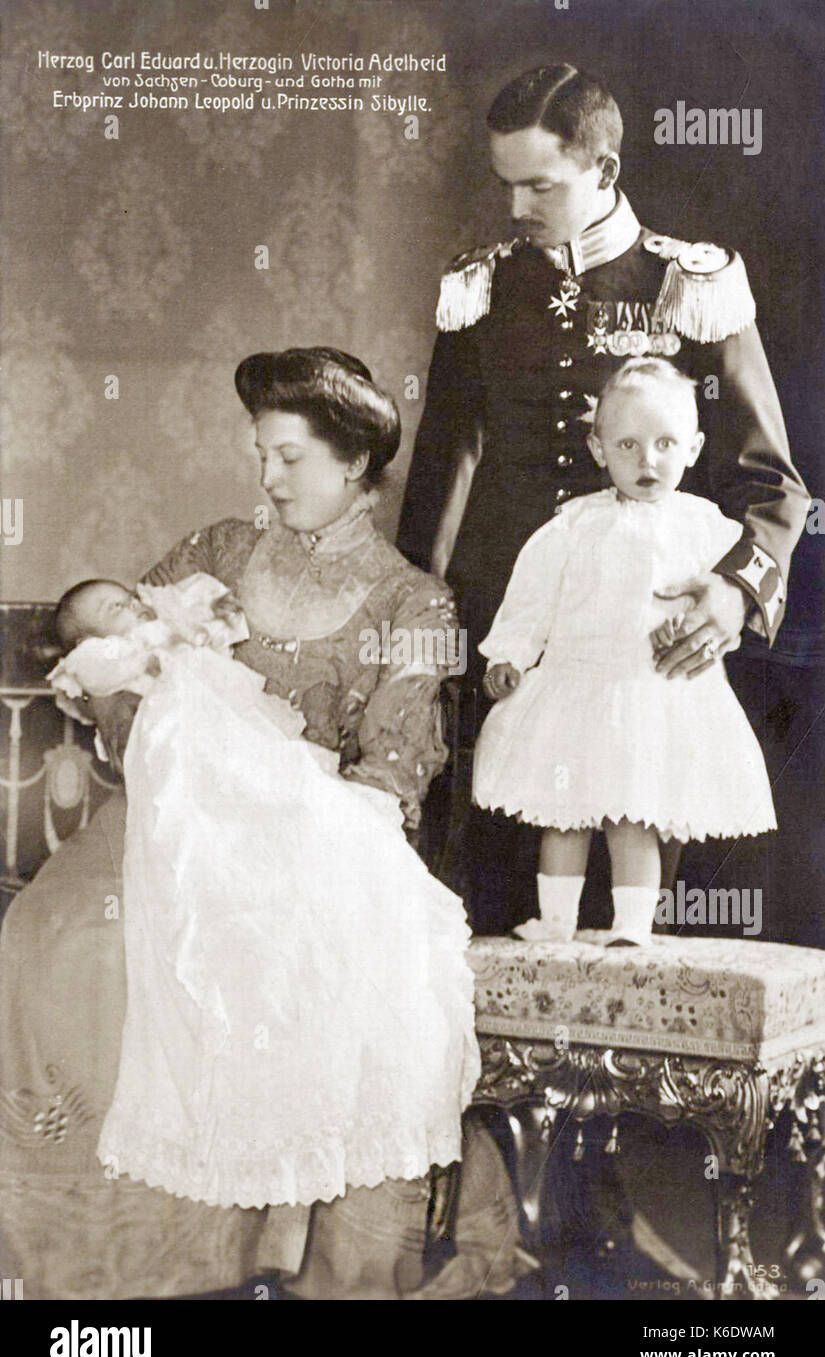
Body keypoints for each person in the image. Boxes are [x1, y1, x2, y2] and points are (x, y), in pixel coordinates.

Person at [0, 348, 526, 1300]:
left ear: (355, 464)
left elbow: (396, 763)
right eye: (259, 456)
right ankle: (91, 1270)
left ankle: (273, 1249)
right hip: (168, 822)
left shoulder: (416, 601)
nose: (266, 478)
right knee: (55, 937)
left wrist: (294, 824)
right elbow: (123, 665)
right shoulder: (215, 554)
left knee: (306, 974)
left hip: (313, 832)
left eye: (288, 458)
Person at [396, 63, 809, 934]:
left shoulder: (691, 285)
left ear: (604, 172)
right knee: (500, 907)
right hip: (507, 643)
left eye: (538, 184)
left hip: (651, 653)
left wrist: (734, 593)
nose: (515, 208)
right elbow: (441, 470)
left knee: (646, 922)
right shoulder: (479, 286)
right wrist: (417, 629)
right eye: (505, 185)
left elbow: (772, 486)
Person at [46, 567, 480, 1210]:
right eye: (114, 607)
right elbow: (98, 675)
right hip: (183, 743)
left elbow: (227, 630)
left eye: (129, 597)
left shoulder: (407, 593)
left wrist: (188, 621)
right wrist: (134, 643)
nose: (133, 605)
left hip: (241, 732)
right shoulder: (109, 653)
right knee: (207, 811)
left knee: (300, 802)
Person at [474, 358, 776, 947]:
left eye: (666, 443)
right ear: (597, 448)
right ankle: (556, 921)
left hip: (650, 689)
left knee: (633, 813)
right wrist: (508, 655)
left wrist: (696, 626)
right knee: (563, 813)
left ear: (694, 448)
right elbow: (533, 596)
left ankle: (633, 924)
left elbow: (728, 601)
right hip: (576, 684)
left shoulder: (706, 527)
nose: (648, 461)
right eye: (629, 444)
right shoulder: (572, 525)